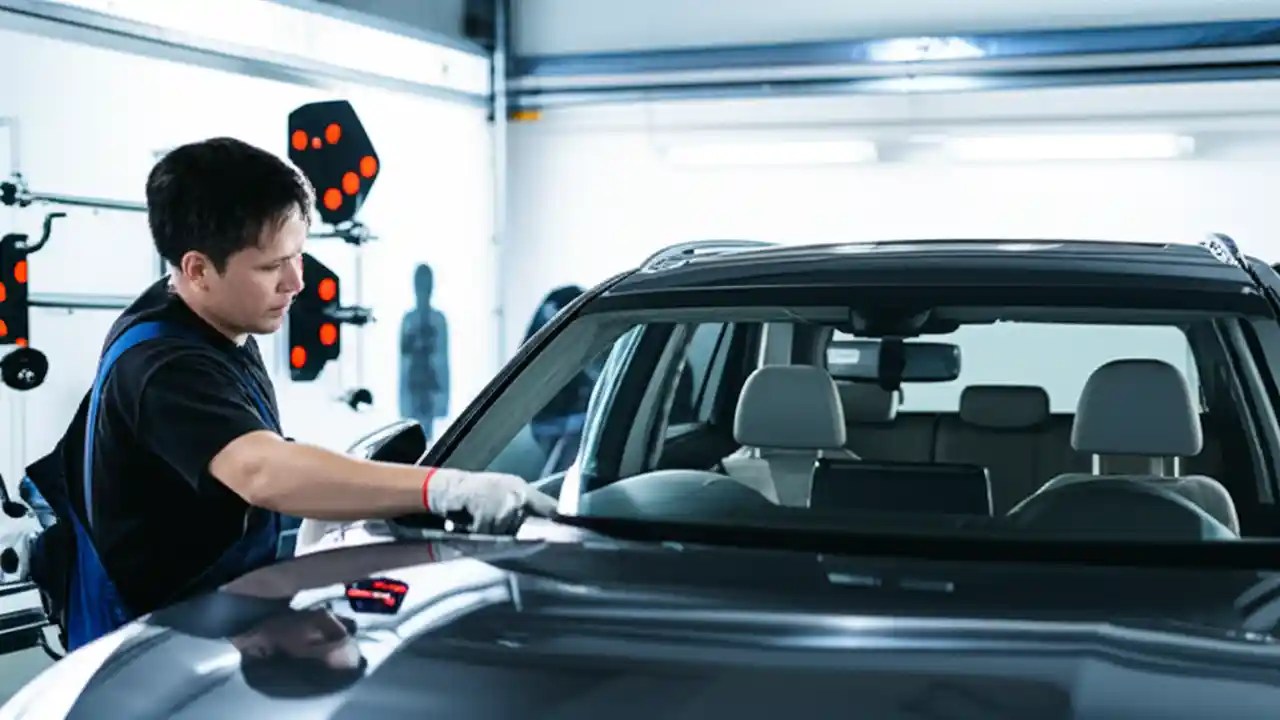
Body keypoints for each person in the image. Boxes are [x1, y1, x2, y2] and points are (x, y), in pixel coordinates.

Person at [24, 137, 554, 652]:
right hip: (155, 660)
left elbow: (240, 449)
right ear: (198, 269)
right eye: (271, 266)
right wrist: (445, 489)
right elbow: (261, 470)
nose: (296, 282)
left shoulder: (210, 322)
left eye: (298, 255)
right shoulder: (165, 367)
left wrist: (332, 492)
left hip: (213, 633)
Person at [398, 263, 449, 442]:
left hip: (430, 384)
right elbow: (403, 361)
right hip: (414, 384)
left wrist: (443, 397)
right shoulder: (409, 320)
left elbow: (443, 359)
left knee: (427, 435)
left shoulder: (438, 320)